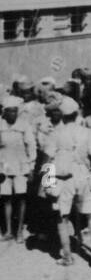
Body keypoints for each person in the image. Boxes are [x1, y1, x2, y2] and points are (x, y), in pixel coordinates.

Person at [40, 96, 91, 267]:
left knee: (62, 217)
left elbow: (47, 159)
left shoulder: (56, 133)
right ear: (76, 113)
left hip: (63, 178)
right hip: (84, 175)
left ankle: (67, 256)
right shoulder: (86, 132)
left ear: (62, 115)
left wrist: (45, 184)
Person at [0, 95, 36, 242]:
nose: (13, 114)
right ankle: (8, 230)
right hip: (4, 165)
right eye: (10, 111)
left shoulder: (24, 125)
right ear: (5, 112)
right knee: (6, 198)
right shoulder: (0, 125)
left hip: (21, 165)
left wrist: (31, 166)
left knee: (21, 197)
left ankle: (20, 230)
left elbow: (31, 146)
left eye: (15, 111)